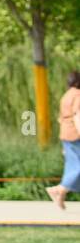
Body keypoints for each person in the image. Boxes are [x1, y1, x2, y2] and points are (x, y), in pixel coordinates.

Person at [46, 71, 80, 209]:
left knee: (72, 165)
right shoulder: (78, 95)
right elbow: (78, 115)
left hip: (65, 134)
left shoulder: (65, 96)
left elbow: (61, 118)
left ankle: (61, 194)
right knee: (77, 166)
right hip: (75, 134)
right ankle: (59, 189)